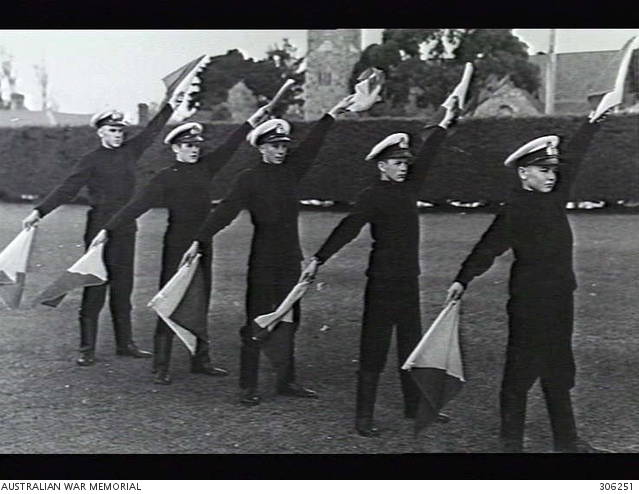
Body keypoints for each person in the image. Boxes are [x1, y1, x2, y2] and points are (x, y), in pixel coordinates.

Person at [444, 112, 609, 453]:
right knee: (520, 373)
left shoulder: (554, 197)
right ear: (524, 173)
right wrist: (463, 278)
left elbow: (574, 158)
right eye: (544, 170)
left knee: (558, 369)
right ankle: (511, 443)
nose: (553, 176)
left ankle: (567, 441)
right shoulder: (515, 209)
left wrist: (593, 123)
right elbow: (487, 247)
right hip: (530, 303)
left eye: (553, 170)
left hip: (562, 298)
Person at [301, 100, 461, 437]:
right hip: (381, 282)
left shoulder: (410, 188)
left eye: (405, 162)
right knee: (374, 347)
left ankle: (412, 405)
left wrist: (445, 123)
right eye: (397, 163)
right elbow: (347, 229)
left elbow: (429, 153)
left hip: (408, 281)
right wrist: (319, 257)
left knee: (410, 344)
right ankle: (363, 416)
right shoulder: (371, 195)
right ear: (382, 166)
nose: (404, 167)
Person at [183, 93, 355, 406]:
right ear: (261, 146)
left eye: (284, 146)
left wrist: (332, 113)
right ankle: (247, 386)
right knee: (256, 320)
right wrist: (199, 239)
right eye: (274, 146)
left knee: (289, 319)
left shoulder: (291, 171)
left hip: (291, 258)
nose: (280, 151)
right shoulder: (248, 179)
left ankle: (286, 380)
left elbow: (314, 143)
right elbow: (224, 213)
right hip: (262, 260)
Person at [90, 104, 271, 385]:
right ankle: (161, 365)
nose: (194, 150)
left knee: (200, 299)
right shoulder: (165, 177)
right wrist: (108, 228)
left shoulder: (206, 168)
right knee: (170, 299)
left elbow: (230, 145)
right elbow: (138, 205)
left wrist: (251, 122)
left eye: (196, 145)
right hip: (176, 245)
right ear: (175, 148)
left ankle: (201, 360)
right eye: (187, 145)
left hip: (202, 244)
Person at [22, 90, 185, 366]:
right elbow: (67, 188)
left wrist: (171, 106)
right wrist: (40, 211)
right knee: (95, 285)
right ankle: (87, 348)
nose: (118, 134)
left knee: (123, 287)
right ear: (101, 132)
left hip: (125, 227)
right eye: (112, 130)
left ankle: (126, 344)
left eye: (120, 129)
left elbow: (153, 131)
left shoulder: (131, 151)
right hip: (98, 227)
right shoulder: (91, 159)